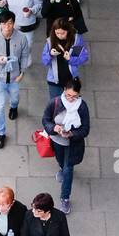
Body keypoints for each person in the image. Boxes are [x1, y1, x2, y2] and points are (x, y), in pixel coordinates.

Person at [42, 76, 90, 214]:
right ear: (63, 90)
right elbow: (45, 120)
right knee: (61, 161)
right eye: (68, 95)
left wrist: (71, 134)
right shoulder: (55, 102)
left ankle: (65, 198)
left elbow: (85, 129)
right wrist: (54, 128)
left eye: (74, 96)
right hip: (57, 140)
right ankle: (62, 169)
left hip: (72, 143)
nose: (70, 98)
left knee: (68, 168)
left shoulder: (82, 107)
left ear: (79, 94)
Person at [0, 12, 30, 148]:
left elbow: (25, 56)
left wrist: (22, 72)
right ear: (0, 24)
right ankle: (1, 133)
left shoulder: (21, 38)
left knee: (15, 98)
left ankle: (14, 107)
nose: (7, 27)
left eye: (9, 23)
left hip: (15, 78)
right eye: (4, 24)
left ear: (14, 23)